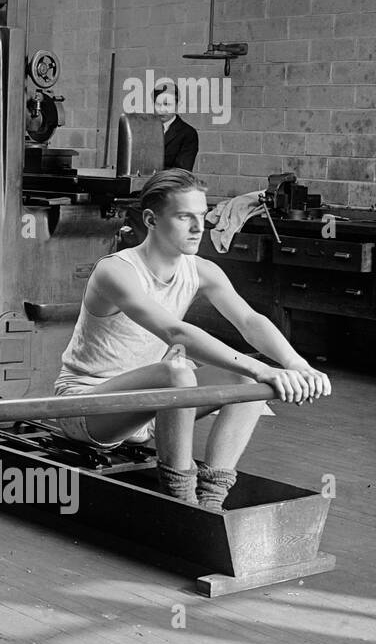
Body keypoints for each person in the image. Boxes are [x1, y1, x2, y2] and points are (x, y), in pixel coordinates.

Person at [55, 168, 330, 510]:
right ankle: (180, 497)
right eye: (185, 217)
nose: (200, 228)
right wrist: (265, 372)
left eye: (201, 216)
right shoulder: (116, 270)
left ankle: (212, 500)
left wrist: (296, 365)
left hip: (152, 410)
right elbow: (175, 332)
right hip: (86, 407)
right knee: (177, 370)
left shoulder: (201, 270)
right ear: (151, 219)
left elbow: (249, 321)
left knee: (243, 376)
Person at [154, 81, 199, 171]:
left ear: (178, 105)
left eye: (167, 104)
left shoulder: (188, 133)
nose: (162, 109)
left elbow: (181, 171)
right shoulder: (146, 129)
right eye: (158, 104)